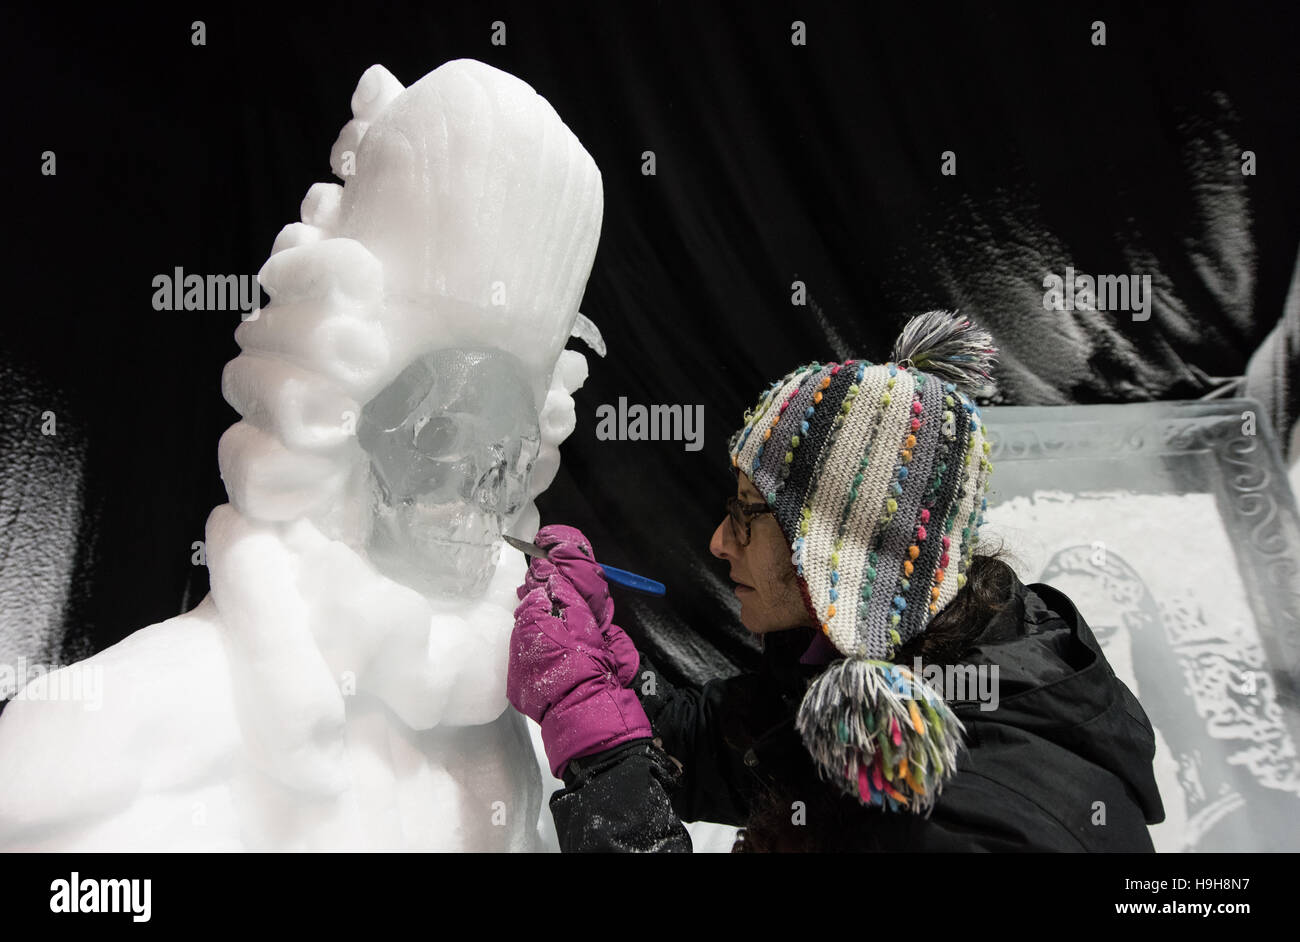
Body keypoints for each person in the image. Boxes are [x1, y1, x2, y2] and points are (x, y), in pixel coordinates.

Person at [506, 311, 1166, 852]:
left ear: (835, 547)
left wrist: (599, 757)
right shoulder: (862, 663)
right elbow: (701, 751)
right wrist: (601, 667)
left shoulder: (968, 823)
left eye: (745, 515)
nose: (716, 542)